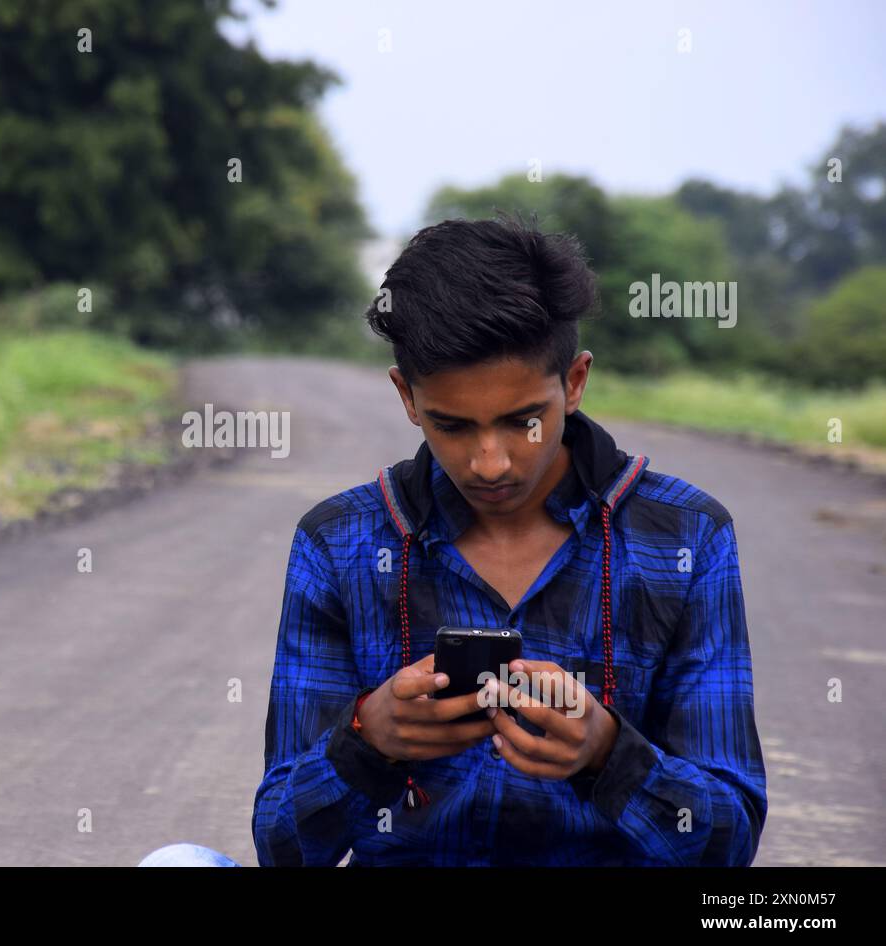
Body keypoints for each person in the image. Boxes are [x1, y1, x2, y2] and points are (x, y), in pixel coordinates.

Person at [251, 215, 767, 866]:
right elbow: (282, 845)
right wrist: (366, 738)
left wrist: (610, 754)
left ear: (574, 383)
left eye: (523, 421)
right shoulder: (339, 541)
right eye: (454, 425)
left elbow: (729, 841)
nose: (490, 462)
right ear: (407, 396)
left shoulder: (686, 535)